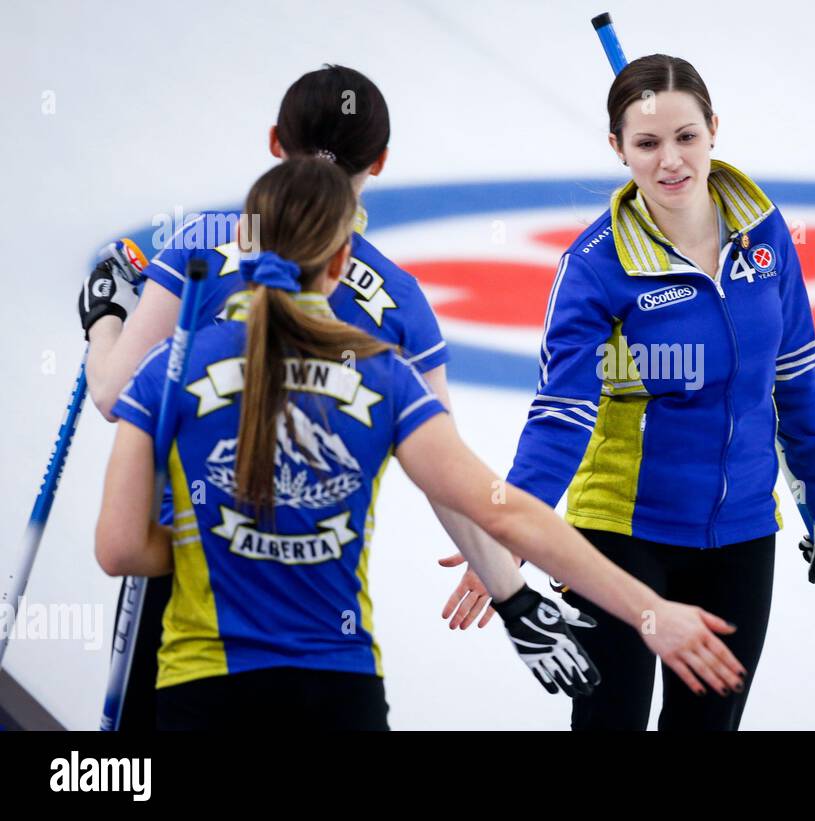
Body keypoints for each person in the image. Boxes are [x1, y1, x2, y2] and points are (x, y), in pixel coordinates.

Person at [94, 158, 745, 730]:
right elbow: (503, 509)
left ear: (244, 242)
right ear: (343, 262)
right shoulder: (383, 377)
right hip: (339, 690)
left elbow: (119, 547)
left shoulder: (167, 371)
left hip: (203, 688)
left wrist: (105, 325)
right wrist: (648, 610)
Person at [77, 65, 517, 729]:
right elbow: (445, 468)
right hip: (317, 587)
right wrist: (498, 562)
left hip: (192, 567)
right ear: (380, 161)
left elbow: (114, 392)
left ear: (275, 141)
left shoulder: (204, 244)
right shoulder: (398, 299)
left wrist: (105, 314)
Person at [483, 54, 815, 731]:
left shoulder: (765, 236)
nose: (671, 160)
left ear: (714, 129)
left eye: (686, 136)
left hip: (742, 530)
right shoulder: (596, 268)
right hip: (621, 534)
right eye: (647, 143)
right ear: (618, 149)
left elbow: (794, 375)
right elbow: (560, 416)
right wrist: (515, 524)